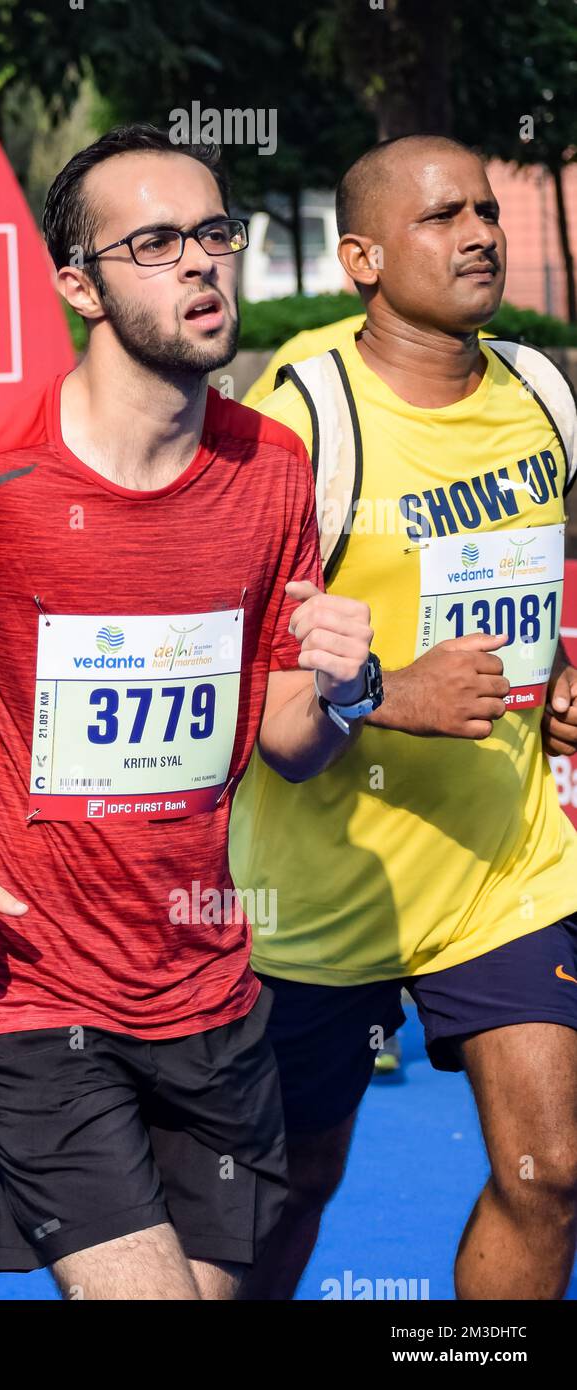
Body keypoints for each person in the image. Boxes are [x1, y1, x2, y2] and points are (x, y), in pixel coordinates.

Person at [0, 123, 379, 1300]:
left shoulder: (270, 469)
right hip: (31, 994)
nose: (203, 263)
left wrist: (349, 693)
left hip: (210, 987)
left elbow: (289, 746)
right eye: (156, 242)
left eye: (215, 232)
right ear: (80, 283)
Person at [230, 134, 577, 1301]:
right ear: (363, 256)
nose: (481, 231)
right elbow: (227, 662)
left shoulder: (545, 391)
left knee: (553, 1171)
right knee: (291, 1184)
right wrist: (388, 695)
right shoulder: (303, 412)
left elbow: (534, 596)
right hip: (324, 883)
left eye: (487, 207)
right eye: (444, 217)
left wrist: (563, 671)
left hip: (505, 864)